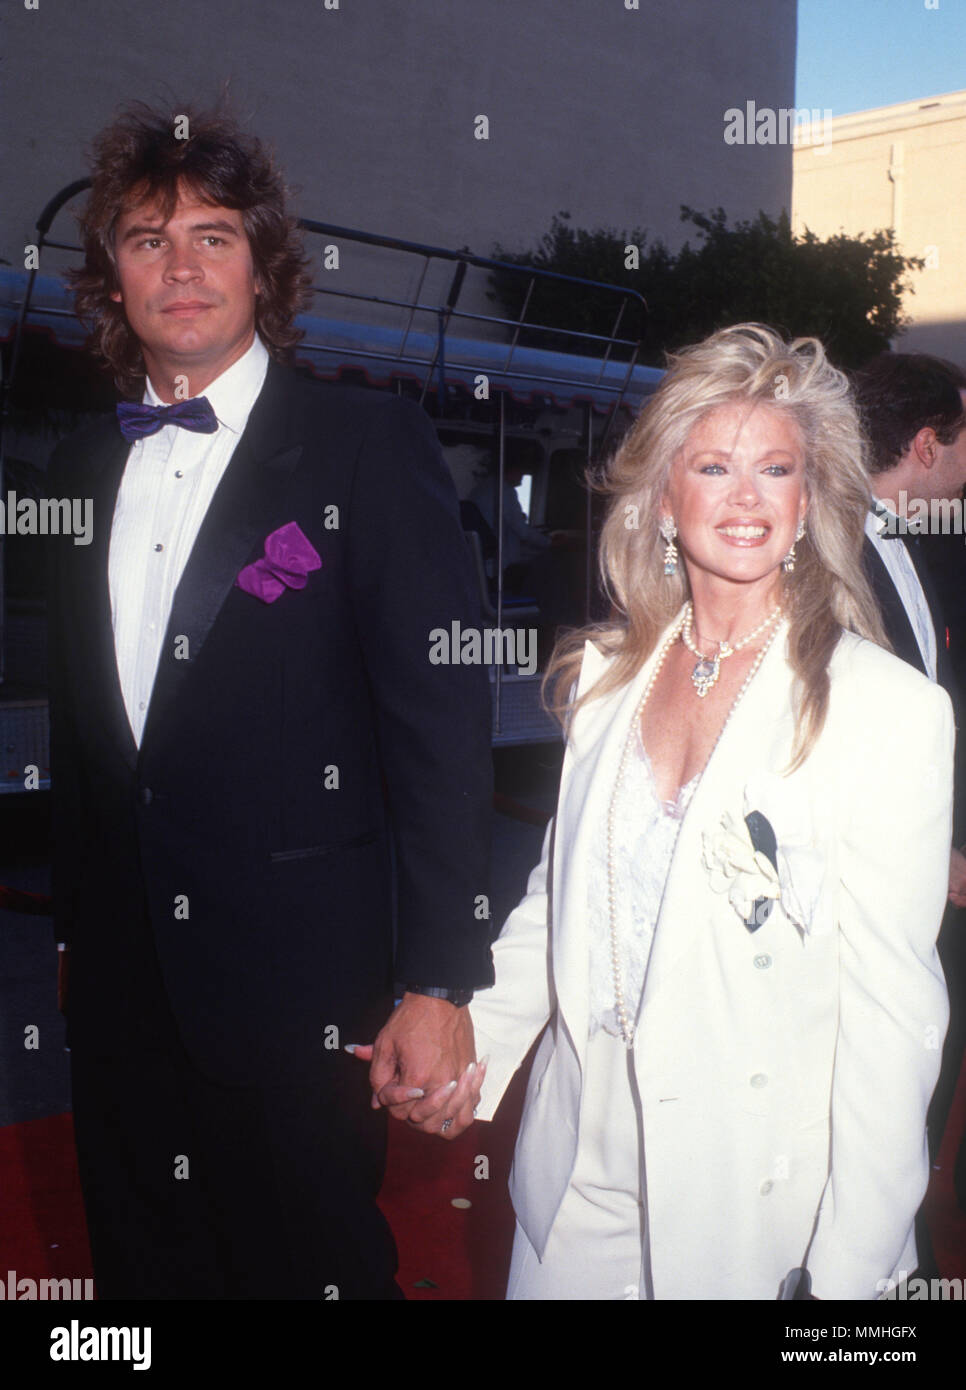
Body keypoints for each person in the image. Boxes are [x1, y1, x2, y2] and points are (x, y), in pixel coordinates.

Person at [382, 323, 954, 1300]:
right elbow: (561, 894)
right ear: (660, 498)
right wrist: (471, 1036)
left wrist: (850, 1273)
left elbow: (893, 1028)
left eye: (775, 469)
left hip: (755, 1206)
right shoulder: (608, 678)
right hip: (579, 1180)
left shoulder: (886, 710)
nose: (745, 498)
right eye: (715, 465)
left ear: (807, 500)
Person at [44, 101, 493, 1300]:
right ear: (113, 276)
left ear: (265, 265)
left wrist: (441, 980)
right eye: (147, 239)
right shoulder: (83, 465)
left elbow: (440, 726)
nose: (180, 266)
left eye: (213, 235)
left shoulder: (363, 443)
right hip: (127, 991)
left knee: (314, 1273)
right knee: (140, 1275)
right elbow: (88, 731)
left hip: (304, 990)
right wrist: (79, 933)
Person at [853, 351, 966, 1205]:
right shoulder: (827, 550)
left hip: (918, 882)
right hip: (861, 898)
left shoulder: (910, 547)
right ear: (927, 446)